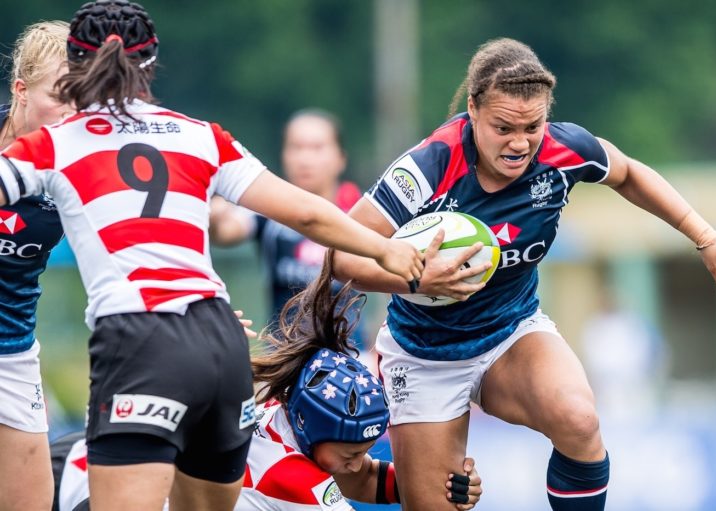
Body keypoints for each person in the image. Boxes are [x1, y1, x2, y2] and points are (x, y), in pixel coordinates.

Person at [0, 2, 423, 510]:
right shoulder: (199, 133)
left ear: (75, 70)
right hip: (221, 345)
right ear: (151, 66)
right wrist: (388, 250)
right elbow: (308, 213)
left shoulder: (55, 143)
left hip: (140, 345)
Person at [332, 37, 716, 510]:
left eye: (532, 126)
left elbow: (629, 173)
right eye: (503, 127)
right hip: (424, 356)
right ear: (472, 109)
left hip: (510, 333)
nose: (520, 143)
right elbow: (341, 259)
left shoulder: (564, 150)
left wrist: (704, 236)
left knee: (578, 419)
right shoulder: (426, 168)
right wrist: (416, 278)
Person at [50, 261, 481, 510]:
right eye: (352, 454)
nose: (358, 463)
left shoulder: (281, 407)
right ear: (312, 429)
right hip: (82, 488)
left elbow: (364, 477)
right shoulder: (299, 481)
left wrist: (437, 482)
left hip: (82, 461)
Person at [209, 109, 368, 347]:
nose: (305, 158)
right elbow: (225, 232)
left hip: (349, 359)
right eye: (296, 147)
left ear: (341, 158)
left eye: (316, 148)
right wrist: (212, 213)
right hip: (283, 359)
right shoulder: (267, 211)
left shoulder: (362, 214)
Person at [0, 20, 72, 511]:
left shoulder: (82, 165)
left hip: (12, 349)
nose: (72, 113)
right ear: (21, 90)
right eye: (60, 95)